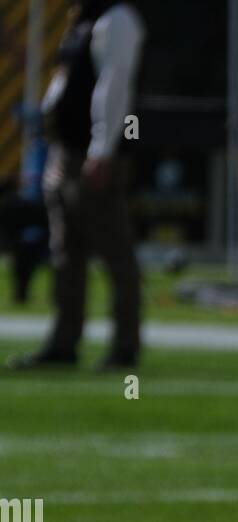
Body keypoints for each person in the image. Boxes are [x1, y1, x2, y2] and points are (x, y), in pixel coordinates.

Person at [8, 1, 145, 371]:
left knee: (114, 251)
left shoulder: (118, 18)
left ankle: (125, 346)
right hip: (65, 151)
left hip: (93, 155)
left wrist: (102, 148)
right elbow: (66, 80)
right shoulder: (83, 19)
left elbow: (114, 85)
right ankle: (63, 341)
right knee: (66, 253)